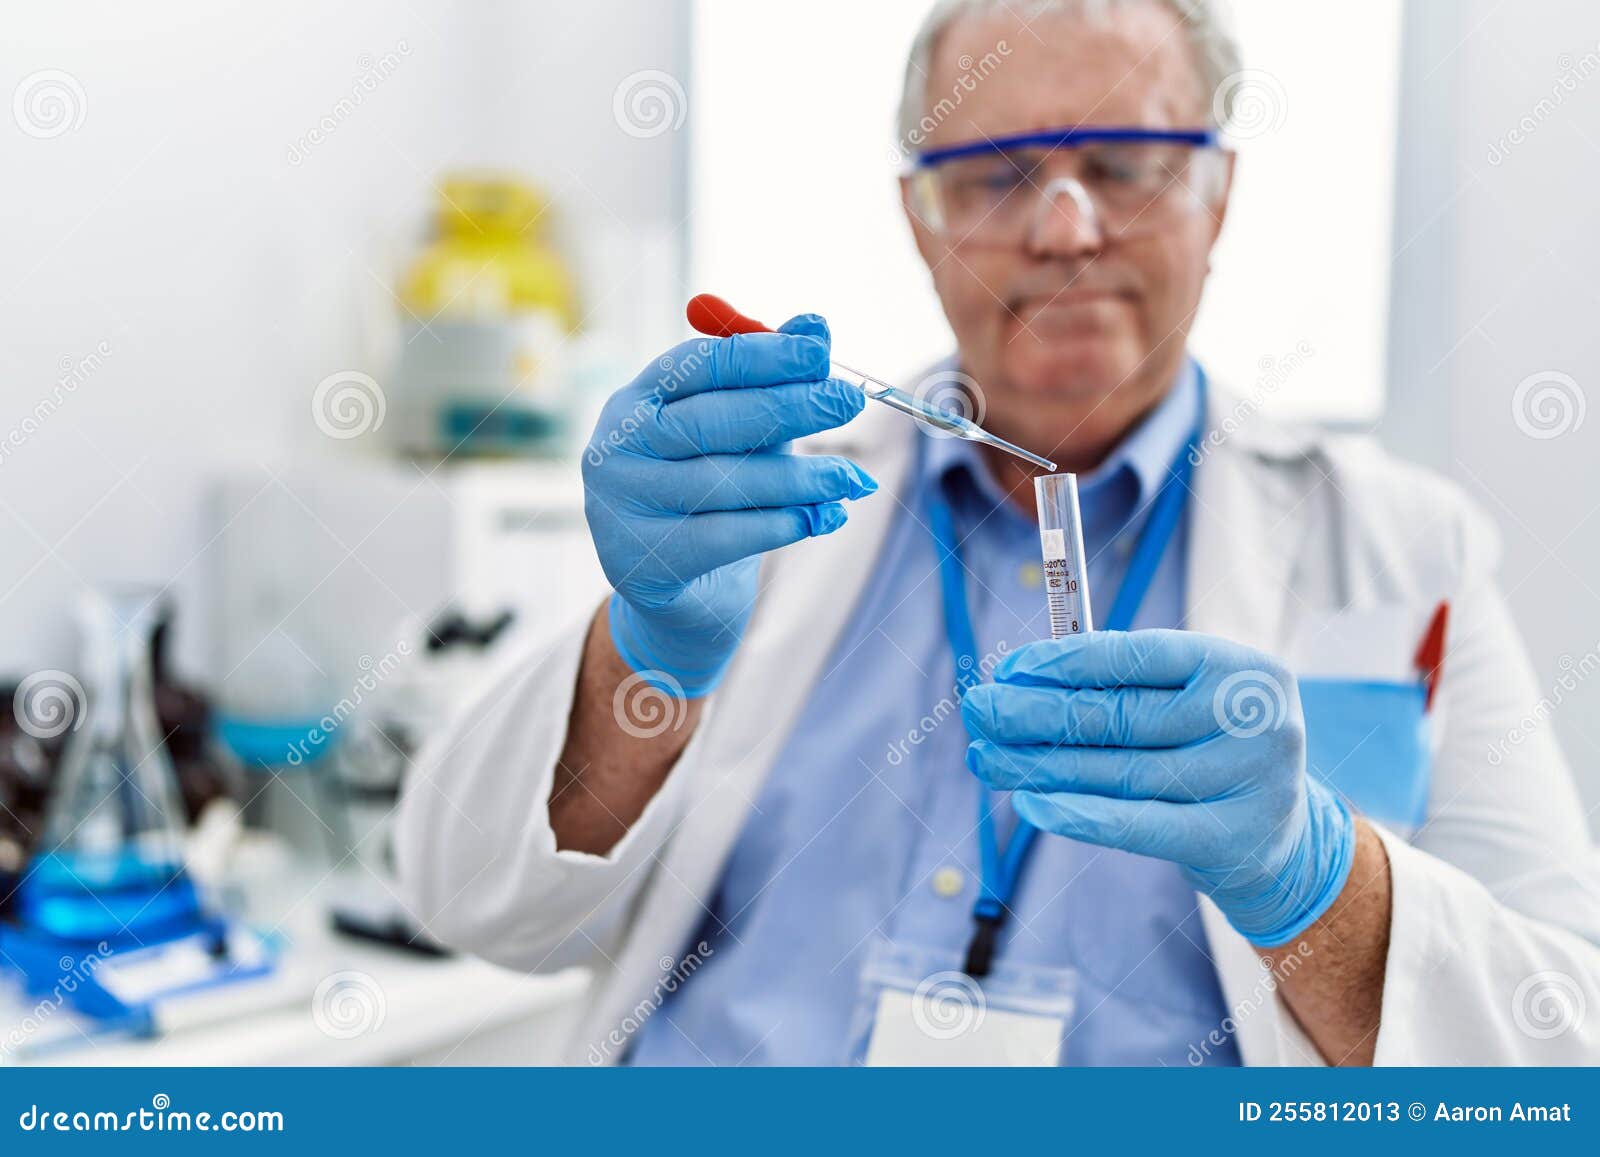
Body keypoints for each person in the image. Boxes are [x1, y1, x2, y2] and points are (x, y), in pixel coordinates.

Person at [396, 0, 1600, 1065]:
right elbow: (469, 899)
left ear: (1216, 193)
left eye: (1124, 164)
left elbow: (1562, 1047)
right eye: (996, 175)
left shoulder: (1400, 546)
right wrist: (646, 651)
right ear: (920, 216)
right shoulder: (766, 508)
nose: (1066, 230)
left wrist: (1318, 883)